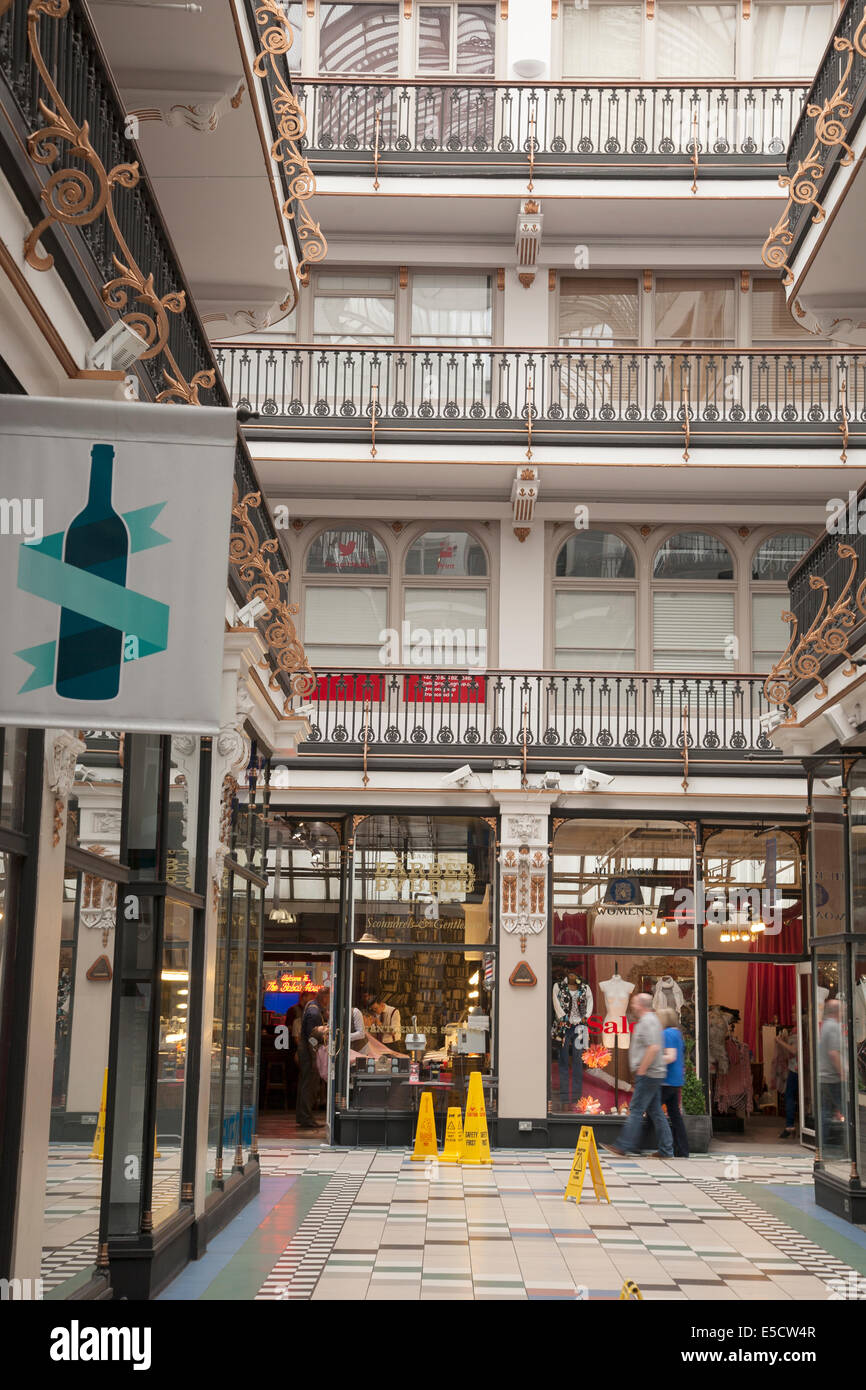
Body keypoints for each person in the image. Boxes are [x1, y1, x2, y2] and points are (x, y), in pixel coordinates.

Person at [606, 994, 673, 1158]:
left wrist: (642, 1070)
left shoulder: (648, 1022)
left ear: (641, 1005)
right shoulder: (651, 1020)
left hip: (649, 1074)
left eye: (635, 1002)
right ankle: (666, 1149)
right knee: (656, 1111)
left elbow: (653, 1047)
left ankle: (623, 1146)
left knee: (635, 1110)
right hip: (654, 1073)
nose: (632, 1005)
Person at [296, 987, 329, 1132]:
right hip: (309, 1053)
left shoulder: (311, 1005)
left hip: (306, 1051)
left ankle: (303, 1116)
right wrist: (315, 1059)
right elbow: (312, 1038)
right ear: (325, 998)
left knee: (305, 1084)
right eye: (329, 998)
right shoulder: (315, 1012)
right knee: (309, 1085)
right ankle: (306, 1118)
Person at [658, 1007, 689, 1159]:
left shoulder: (667, 1033)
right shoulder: (677, 1033)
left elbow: (670, 1056)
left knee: (653, 1111)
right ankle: (682, 1150)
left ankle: (664, 1146)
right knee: (675, 1116)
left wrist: (653, 1061)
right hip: (676, 1080)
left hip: (666, 1080)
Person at [818, 998, 844, 1150]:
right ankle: (835, 1146)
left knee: (825, 1111)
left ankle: (822, 1145)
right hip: (832, 1076)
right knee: (842, 1109)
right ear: (836, 1012)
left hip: (825, 1076)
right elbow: (834, 1053)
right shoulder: (833, 1026)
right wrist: (842, 1072)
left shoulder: (825, 1025)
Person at [777, 1026, 799, 1139]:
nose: (792, 1014)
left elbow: (794, 1050)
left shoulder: (797, 1031)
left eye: (795, 1012)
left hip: (795, 1069)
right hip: (800, 1068)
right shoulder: (800, 1029)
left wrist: (780, 1042)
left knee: (789, 1096)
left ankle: (790, 1126)